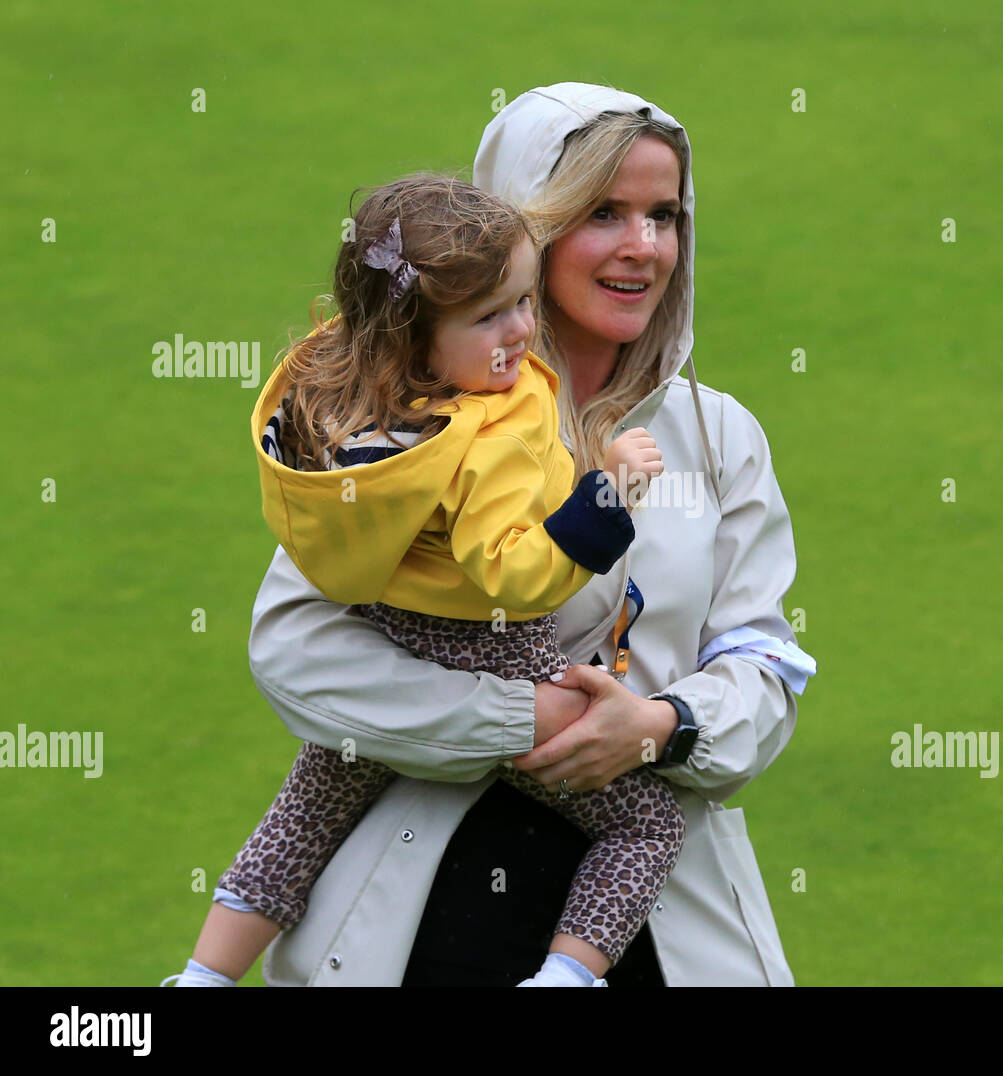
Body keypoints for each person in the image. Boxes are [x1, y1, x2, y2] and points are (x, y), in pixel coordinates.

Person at [247, 83, 817, 987]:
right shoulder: (404, 416)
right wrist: (528, 721)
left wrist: (660, 728)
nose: (645, 247)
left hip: (663, 935)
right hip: (421, 932)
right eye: (604, 213)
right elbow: (297, 649)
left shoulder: (721, 436)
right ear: (521, 229)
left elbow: (767, 667)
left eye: (664, 215)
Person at [164, 174, 685, 989]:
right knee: (645, 827)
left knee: (306, 812)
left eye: (522, 301)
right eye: (491, 316)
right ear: (412, 335)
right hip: (497, 652)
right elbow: (519, 577)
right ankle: (567, 976)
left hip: (385, 629)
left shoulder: (352, 397)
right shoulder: (493, 426)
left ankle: (201, 976)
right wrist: (606, 495)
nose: (521, 332)